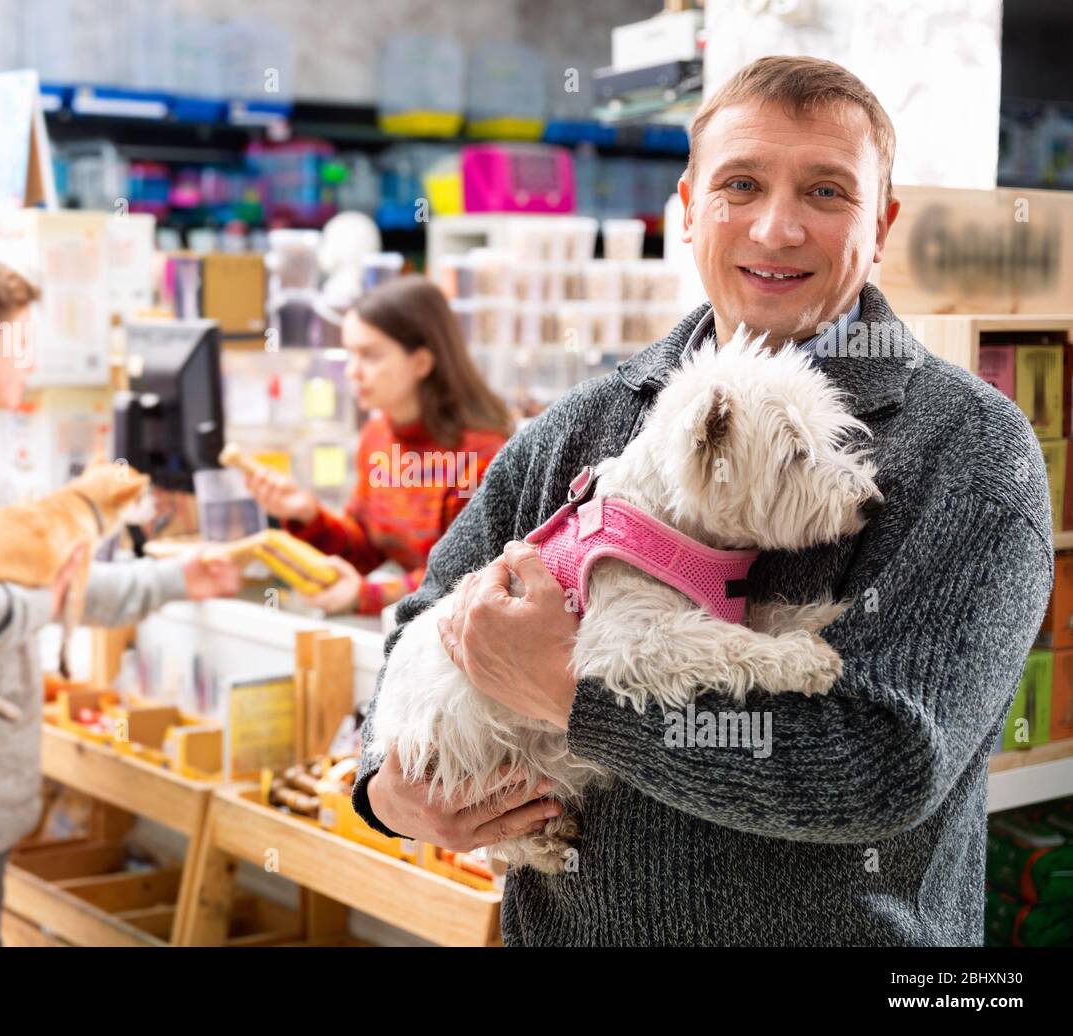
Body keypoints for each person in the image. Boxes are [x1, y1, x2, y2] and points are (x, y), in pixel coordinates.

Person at [353, 56, 1053, 946]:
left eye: (828, 192)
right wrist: (386, 789)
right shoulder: (580, 427)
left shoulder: (970, 452)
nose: (777, 225)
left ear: (881, 224)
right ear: (688, 209)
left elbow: (883, 770)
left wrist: (576, 697)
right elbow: (417, 622)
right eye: (741, 184)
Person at [0, 247, 241, 947]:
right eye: (21, 342)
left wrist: (176, 579)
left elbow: (47, 576)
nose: (32, 362)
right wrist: (32, 610)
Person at [243, 275, 513, 616]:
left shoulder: (480, 456)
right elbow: (364, 551)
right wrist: (306, 514)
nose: (353, 372)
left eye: (369, 356)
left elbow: (467, 577)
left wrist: (369, 594)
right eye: (350, 354)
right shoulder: (377, 437)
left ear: (421, 362)